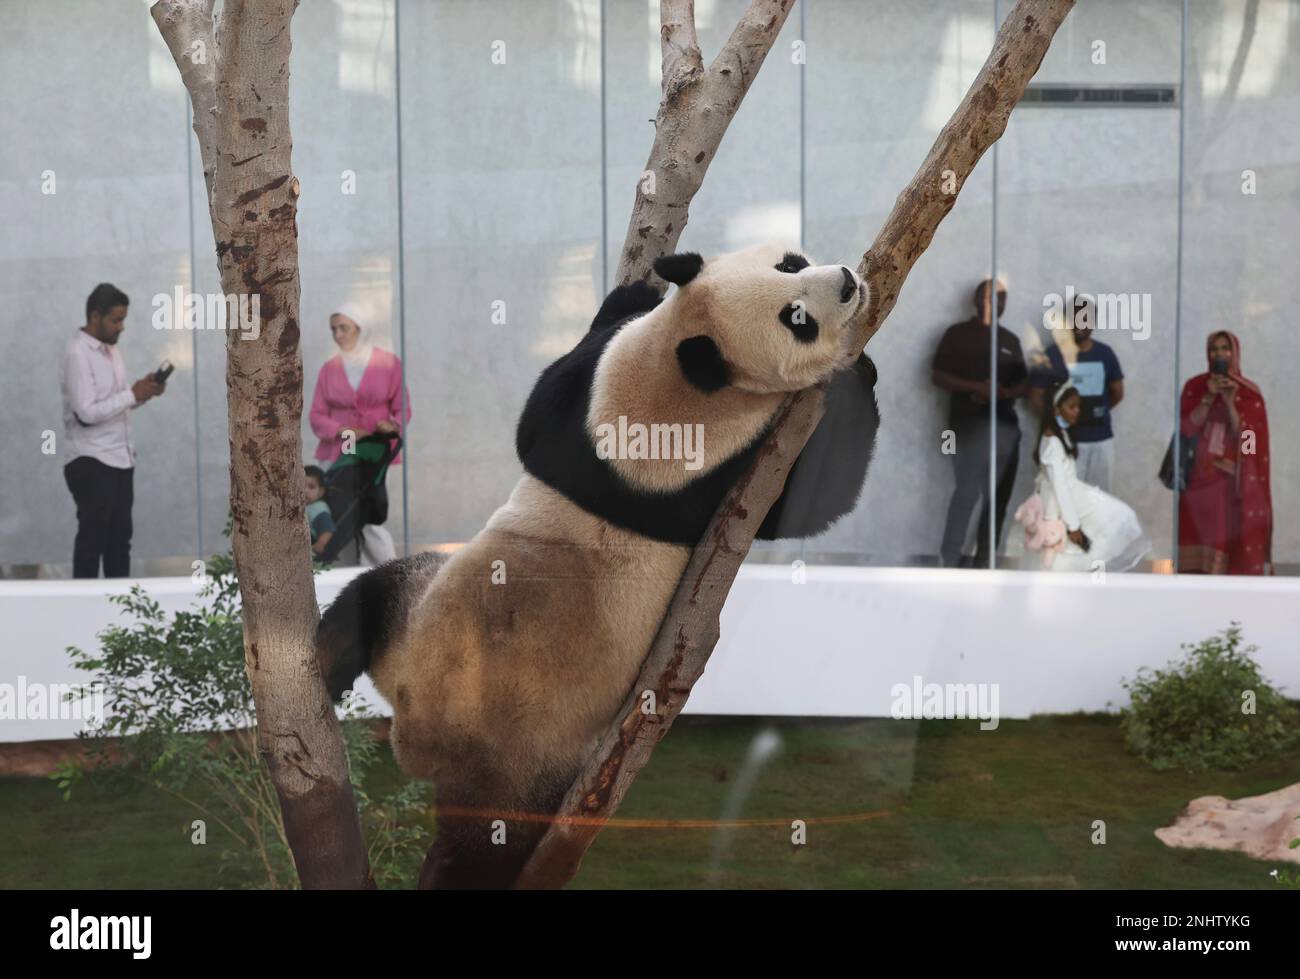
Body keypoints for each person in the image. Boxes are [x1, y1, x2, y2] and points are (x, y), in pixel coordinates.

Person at [60, 283, 167, 578]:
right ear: (95, 316)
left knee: (120, 542)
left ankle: (120, 616)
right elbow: (86, 413)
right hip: (91, 460)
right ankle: (84, 609)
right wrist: (132, 394)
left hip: (121, 458)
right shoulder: (78, 354)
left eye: (123, 320)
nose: (121, 327)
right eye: (116, 320)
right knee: (92, 541)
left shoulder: (111, 352)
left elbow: (118, 404)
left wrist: (144, 392)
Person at [932, 278, 1029, 567]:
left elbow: (1024, 384)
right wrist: (976, 387)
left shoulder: (1010, 340)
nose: (996, 304)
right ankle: (949, 558)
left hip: (1006, 430)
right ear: (976, 301)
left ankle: (985, 560)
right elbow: (938, 376)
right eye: (991, 298)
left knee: (997, 497)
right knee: (967, 492)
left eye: (1002, 299)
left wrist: (1005, 392)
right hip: (968, 428)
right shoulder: (957, 334)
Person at [308, 303, 410, 565]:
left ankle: (385, 569)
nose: (338, 335)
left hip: (372, 453)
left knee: (367, 512)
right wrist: (342, 430)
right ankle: (341, 573)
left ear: (361, 329)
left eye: (344, 328)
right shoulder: (329, 369)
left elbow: (403, 407)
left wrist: (393, 425)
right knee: (333, 513)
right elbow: (316, 416)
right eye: (334, 329)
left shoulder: (387, 364)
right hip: (337, 450)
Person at [1016, 382, 1148, 572]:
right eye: (1072, 407)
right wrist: (1073, 525)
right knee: (1064, 555)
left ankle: (1090, 583)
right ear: (1056, 410)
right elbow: (1059, 487)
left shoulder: (1062, 435)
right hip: (1060, 505)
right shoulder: (1052, 442)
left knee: (1115, 522)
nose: (1077, 411)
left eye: (1078, 406)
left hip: (1073, 495)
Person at [1177, 331, 1272, 575]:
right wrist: (1208, 397)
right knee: (1197, 550)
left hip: (1231, 489)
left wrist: (1230, 402)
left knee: (1227, 548)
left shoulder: (1249, 393)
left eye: (1225, 348)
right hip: (1198, 485)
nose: (1219, 354)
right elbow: (1187, 430)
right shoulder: (1195, 387)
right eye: (1214, 349)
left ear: (1235, 353)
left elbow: (1250, 446)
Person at [1029, 297, 1124, 491]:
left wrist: (1096, 411)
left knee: (1102, 501)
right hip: (1065, 442)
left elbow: (1117, 392)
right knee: (1064, 501)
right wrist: (1056, 423)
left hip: (1101, 440)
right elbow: (1036, 395)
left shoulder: (1105, 354)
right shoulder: (1052, 355)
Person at [304, 465, 336, 558]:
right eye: (301, 485)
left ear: (321, 492)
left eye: (311, 487)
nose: (305, 490)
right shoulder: (305, 506)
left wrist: (319, 545)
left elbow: (328, 530)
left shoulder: (319, 509)